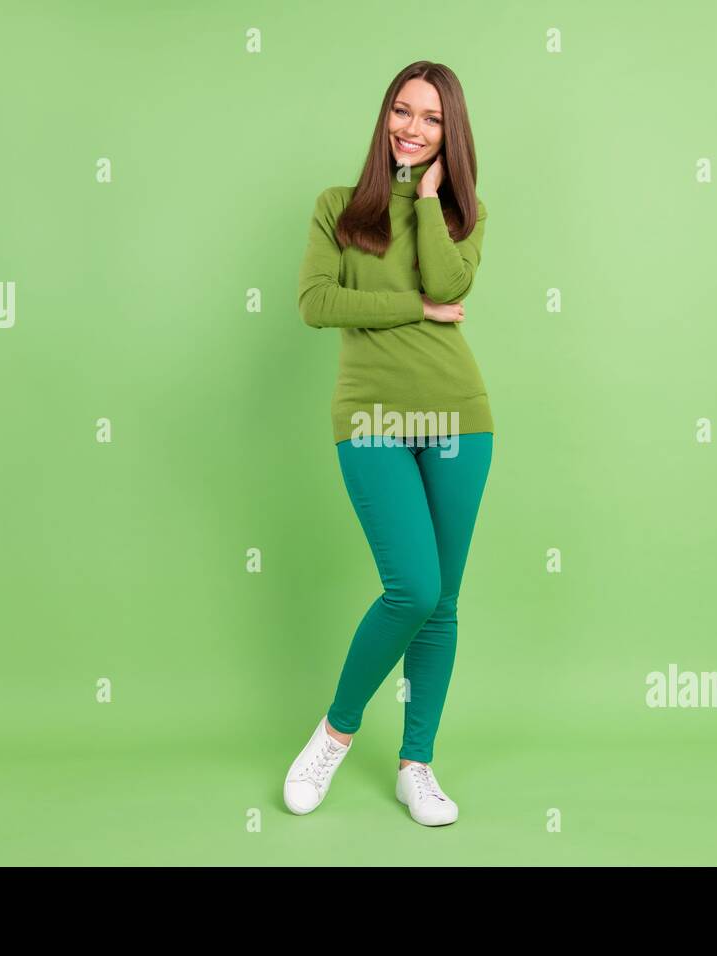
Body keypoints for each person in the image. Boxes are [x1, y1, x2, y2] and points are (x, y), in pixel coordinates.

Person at [285, 61, 494, 826]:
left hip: (458, 418)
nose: (412, 127)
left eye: (432, 118)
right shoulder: (339, 208)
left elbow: (451, 287)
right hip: (369, 418)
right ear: (384, 117)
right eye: (402, 111)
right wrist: (417, 308)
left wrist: (431, 199)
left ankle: (417, 765)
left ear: (451, 133)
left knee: (443, 604)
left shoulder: (463, 214)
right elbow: (316, 303)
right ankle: (335, 734)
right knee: (413, 585)